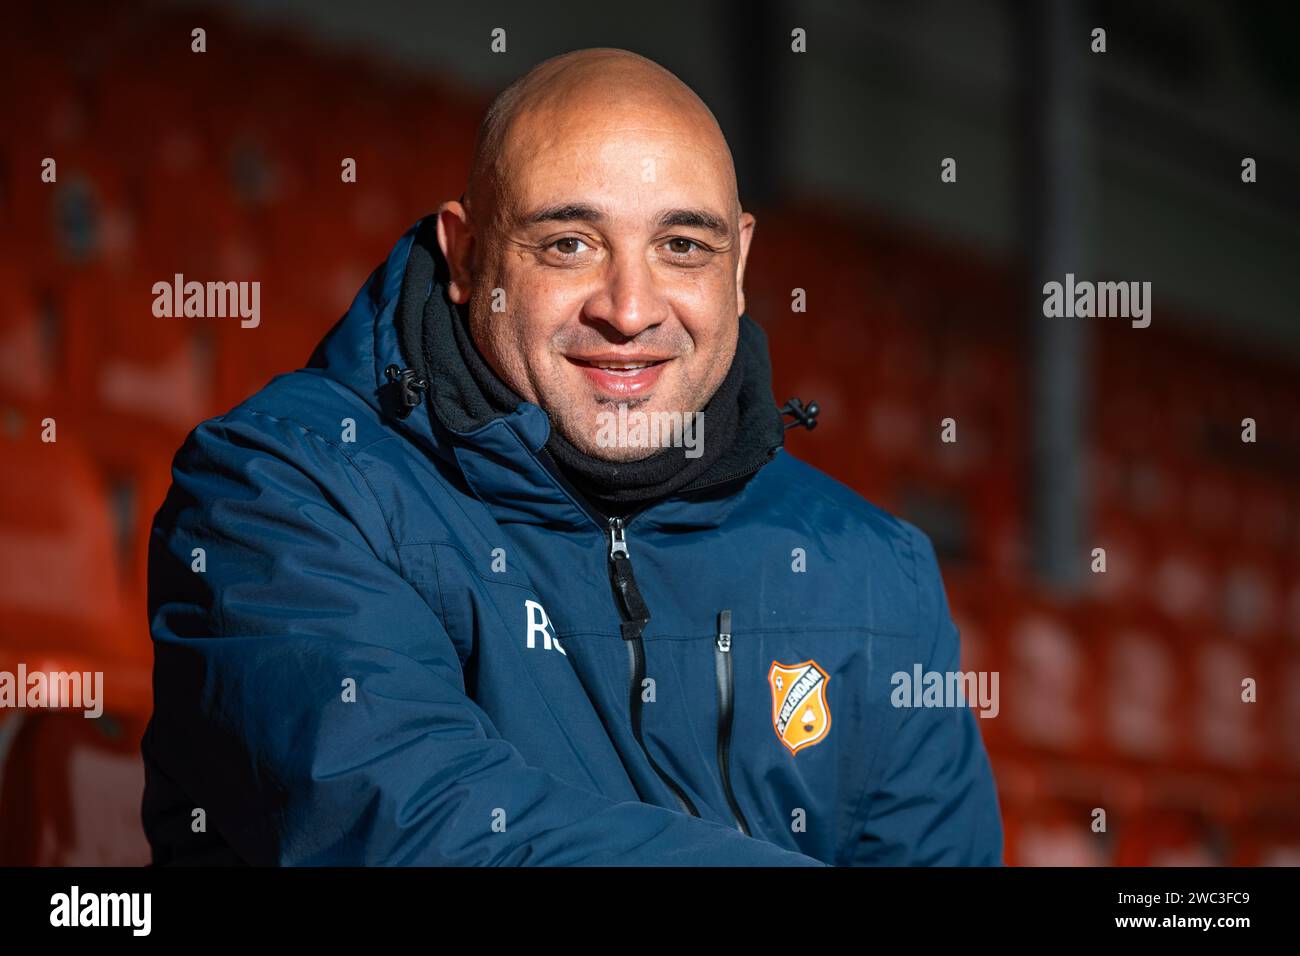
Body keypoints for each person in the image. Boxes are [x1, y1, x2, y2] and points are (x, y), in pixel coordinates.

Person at [142, 47, 1003, 866]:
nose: (629, 310)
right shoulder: (282, 487)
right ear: (467, 255)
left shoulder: (874, 574)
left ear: (739, 266)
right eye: (569, 244)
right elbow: (420, 835)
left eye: (683, 247)